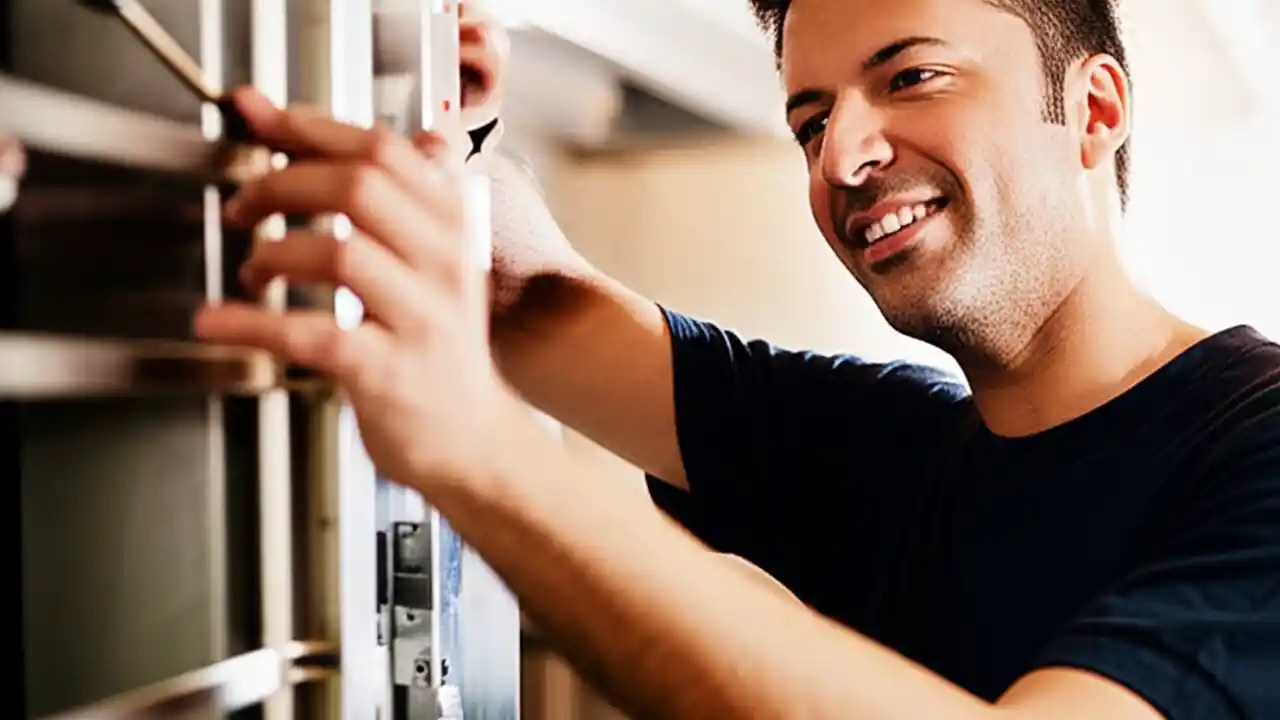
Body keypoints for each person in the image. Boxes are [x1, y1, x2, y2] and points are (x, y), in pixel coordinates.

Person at [195, 0, 1280, 717]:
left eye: (910, 78)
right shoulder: (893, 444)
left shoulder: (1255, 451)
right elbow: (526, 303)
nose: (841, 159)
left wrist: (477, 457)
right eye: (810, 121)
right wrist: (455, 127)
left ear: (1092, 110)